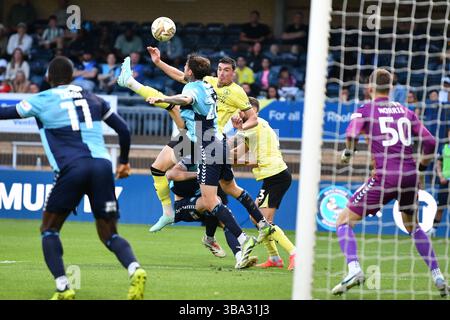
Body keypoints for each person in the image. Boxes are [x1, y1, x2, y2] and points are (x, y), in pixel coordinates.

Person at [0, 56, 147, 300]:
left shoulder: (41, 99)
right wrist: (124, 162)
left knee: (49, 230)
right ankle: (135, 269)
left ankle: (63, 287)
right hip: (102, 167)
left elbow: (5, 113)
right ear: (72, 77)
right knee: (109, 234)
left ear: (48, 78)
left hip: (72, 168)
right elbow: (123, 129)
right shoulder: (95, 98)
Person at [116, 49, 271, 242]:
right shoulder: (207, 82)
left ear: (234, 73)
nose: (221, 73)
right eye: (220, 69)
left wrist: (239, 129)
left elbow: (253, 118)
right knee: (160, 168)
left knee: (215, 198)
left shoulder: (237, 92)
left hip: (207, 139)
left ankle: (236, 240)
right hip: (195, 134)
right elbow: (182, 76)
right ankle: (257, 227)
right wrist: (158, 62)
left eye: (226, 70)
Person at [335, 68, 449, 297]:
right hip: (409, 175)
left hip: (385, 176)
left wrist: (348, 152)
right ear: (392, 89)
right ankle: (438, 276)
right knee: (413, 226)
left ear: (369, 88)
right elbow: (430, 141)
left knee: (343, 220)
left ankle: (354, 269)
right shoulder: (406, 111)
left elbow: (352, 133)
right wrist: (421, 170)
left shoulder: (365, 109)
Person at [144, 54, 259, 267]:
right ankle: (237, 240)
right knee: (223, 194)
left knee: (210, 201)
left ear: (190, 71)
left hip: (205, 145)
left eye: (185, 66)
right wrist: (158, 63)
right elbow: (183, 83)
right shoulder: (207, 85)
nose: (183, 70)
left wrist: (165, 99)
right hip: (216, 142)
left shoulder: (193, 90)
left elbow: (186, 99)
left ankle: (240, 239)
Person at [230, 97, 296, 270]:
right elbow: (241, 153)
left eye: (248, 111)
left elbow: (242, 156)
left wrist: (215, 157)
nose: (244, 113)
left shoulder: (251, 128)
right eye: (243, 110)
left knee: (264, 221)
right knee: (256, 217)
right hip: (273, 176)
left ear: (255, 113)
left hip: (276, 176)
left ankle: (294, 252)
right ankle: (274, 258)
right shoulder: (260, 124)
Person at [165, 158, 258, 269]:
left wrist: (254, 161)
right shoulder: (193, 159)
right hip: (182, 206)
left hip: (204, 204)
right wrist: (199, 174)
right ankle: (216, 239)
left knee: (225, 221)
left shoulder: (215, 162)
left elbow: (232, 161)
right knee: (211, 202)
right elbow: (170, 174)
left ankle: (239, 258)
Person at [430, 127, 450, 237]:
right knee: (440, 207)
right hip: (444, 182)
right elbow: (438, 163)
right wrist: (440, 176)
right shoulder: (444, 148)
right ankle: (433, 230)